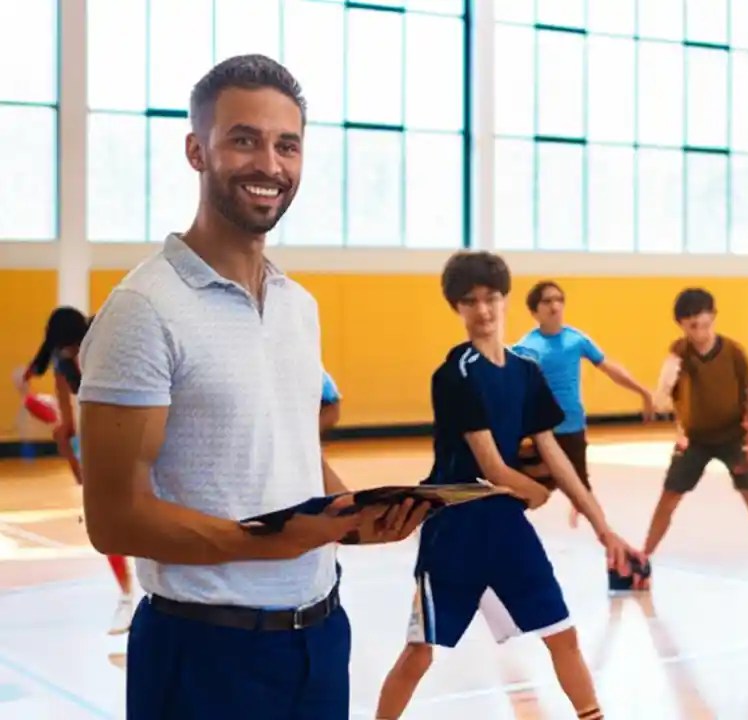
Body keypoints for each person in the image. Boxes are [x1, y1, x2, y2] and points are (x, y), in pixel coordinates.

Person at [76, 55, 428, 720]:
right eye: (244, 139)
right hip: (204, 653)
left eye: (286, 144)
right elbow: (114, 517)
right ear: (196, 150)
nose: (269, 164)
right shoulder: (143, 309)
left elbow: (288, 456)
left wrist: (352, 517)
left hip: (320, 640)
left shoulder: (298, 304)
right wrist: (277, 541)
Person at [374, 251, 641, 720]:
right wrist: (534, 493)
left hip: (503, 526)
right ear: (456, 307)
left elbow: (554, 453)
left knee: (563, 635)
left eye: (491, 299)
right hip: (453, 528)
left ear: (505, 300)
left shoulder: (525, 371)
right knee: (420, 652)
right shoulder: (455, 374)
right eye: (469, 301)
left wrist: (604, 528)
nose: (482, 311)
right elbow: (492, 467)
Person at [645, 288, 748, 600]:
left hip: (732, 437)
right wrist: (672, 419)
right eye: (690, 326)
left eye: (702, 324)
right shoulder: (679, 352)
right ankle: (643, 559)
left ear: (713, 316)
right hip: (695, 440)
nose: (698, 332)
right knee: (668, 497)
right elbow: (669, 389)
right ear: (682, 326)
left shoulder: (734, 353)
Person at [18, 306, 135, 634]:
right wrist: (68, 446)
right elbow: (68, 422)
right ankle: (126, 596)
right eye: (65, 350)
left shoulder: (109, 339)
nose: (71, 353)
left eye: (74, 347)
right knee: (104, 516)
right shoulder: (61, 362)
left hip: (133, 422)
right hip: (98, 429)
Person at [513, 280, 655, 528]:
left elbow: (609, 368)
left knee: (583, 492)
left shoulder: (576, 340)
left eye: (559, 300)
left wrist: (643, 392)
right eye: (547, 301)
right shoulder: (526, 347)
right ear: (535, 312)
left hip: (573, 428)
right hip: (542, 433)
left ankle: (609, 542)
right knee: (527, 489)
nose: (555, 306)